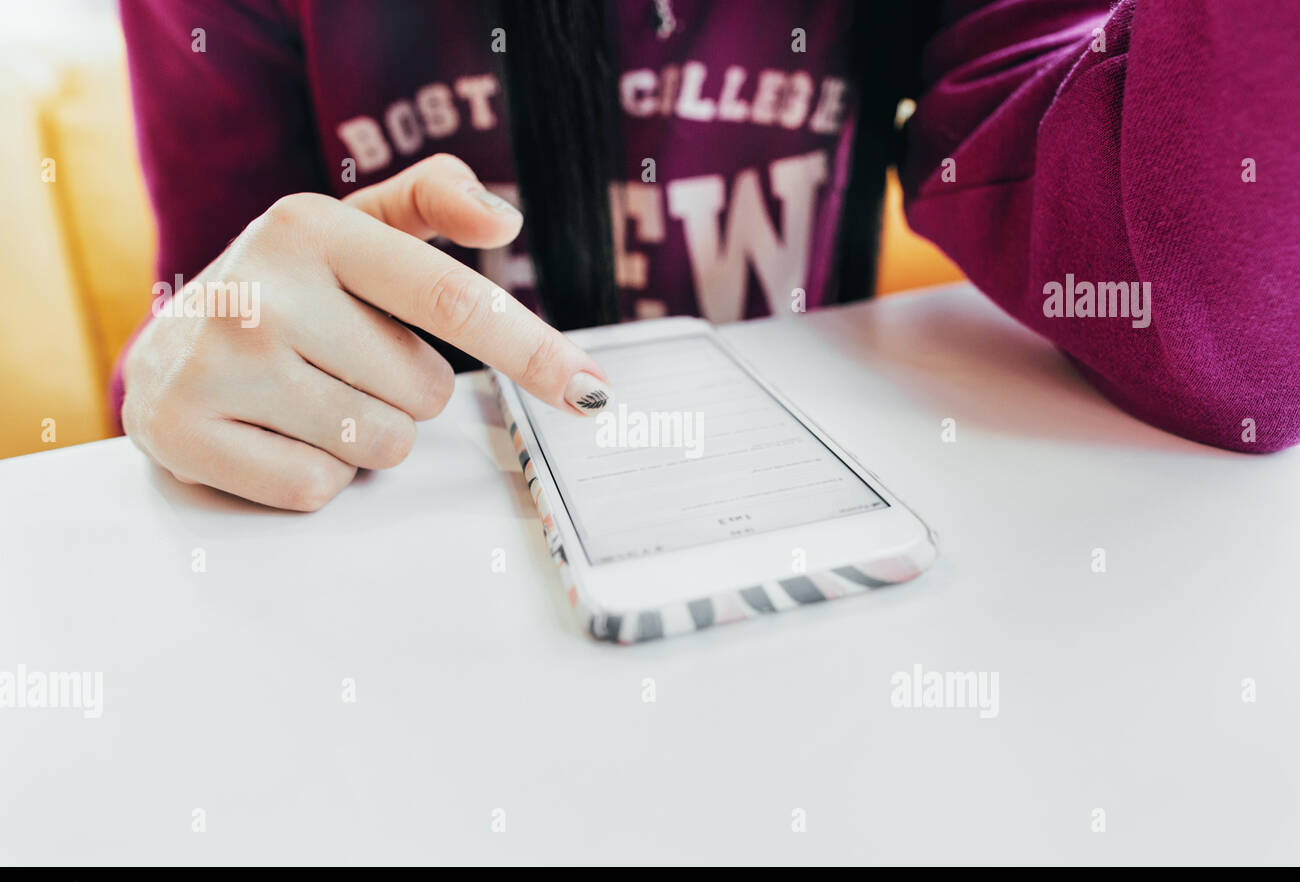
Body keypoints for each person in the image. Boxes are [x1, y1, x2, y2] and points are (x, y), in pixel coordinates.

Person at [115, 0, 1300, 511]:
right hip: (403, 599)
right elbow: (206, 325)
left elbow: (1232, 344)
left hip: (806, 607)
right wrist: (178, 376)